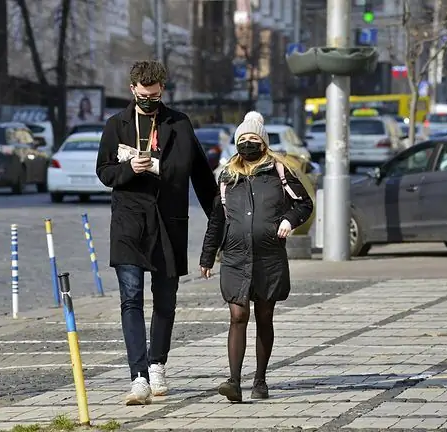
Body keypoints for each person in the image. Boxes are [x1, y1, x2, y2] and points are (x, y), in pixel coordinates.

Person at [96, 60, 218, 405]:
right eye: (143, 94)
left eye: (155, 94)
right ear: (133, 88)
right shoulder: (116, 124)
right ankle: (138, 376)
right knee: (130, 299)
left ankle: (157, 364)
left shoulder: (179, 123)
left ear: (162, 89)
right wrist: (128, 169)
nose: (149, 99)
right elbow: (103, 170)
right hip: (129, 224)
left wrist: (218, 220)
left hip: (168, 223)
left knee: (165, 300)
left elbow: (194, 173)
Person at [199, 111, 313, 403]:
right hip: (235, 256)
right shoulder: (226, 176)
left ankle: (260, 380)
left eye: (253, 139)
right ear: (237, 143)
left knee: (264, 316)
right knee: (238, 315)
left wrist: (288, 220)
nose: (248, 144)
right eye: (243, 139)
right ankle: (233, 381)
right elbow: (217, 220)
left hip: (268, 256)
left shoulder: (279, 171)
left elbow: (304, 204)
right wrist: (207, 256)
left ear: (263, 142)